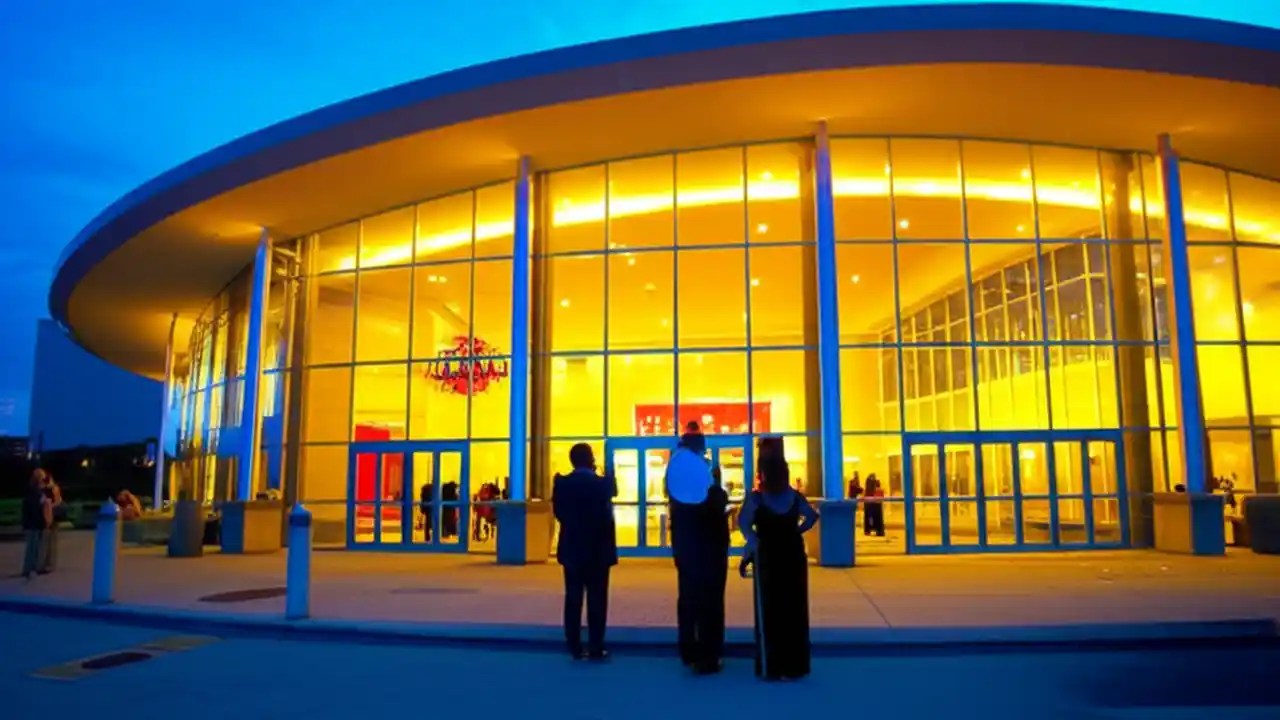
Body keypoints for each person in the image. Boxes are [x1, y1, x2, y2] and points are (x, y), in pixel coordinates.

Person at [738, 441, 818, 681]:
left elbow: (743, 522)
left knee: (769, 610)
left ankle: (771, 665)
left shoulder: (758, 499)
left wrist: (754, 540)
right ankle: (794, 664)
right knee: (794, 609)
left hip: (768, 556)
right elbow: (813, 516)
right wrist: (797, 531)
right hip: (792, 554)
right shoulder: (794, 497)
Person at [667, 427, 729, 674]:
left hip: (686, 551)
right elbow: (715, 513)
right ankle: (708, 655)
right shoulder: (709, 494)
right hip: (709, 557)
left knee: (688, 600)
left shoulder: (678, 495)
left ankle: (688, 649)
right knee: (710, 605)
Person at [552, 443, 617, 661]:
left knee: (573, 598)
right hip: (598, 550)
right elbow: (612, 494)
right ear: (591, 459)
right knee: (597, 600)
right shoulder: (602, 484)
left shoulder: (561, 484)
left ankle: (574, 646)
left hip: (572, 549)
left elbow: (559, 513)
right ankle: (596, 647)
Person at [22, 470, 53, 579]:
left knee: (33, 547)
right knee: (33, 547)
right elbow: (36, 507)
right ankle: (29, 569)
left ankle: (30, 568)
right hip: (34, 523)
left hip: (33, 522)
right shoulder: (35, 493)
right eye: (42, 478)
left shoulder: (32, 491)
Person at [41, 473, 64, 573]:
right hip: (51, 516)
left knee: (49, 541)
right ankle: (49, 564)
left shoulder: (51, 489)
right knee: (50, 541)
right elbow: (59, 501)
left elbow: (57, 501)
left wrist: (49, 506)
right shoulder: (52, 488)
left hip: (51, 517)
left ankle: (49, 564)